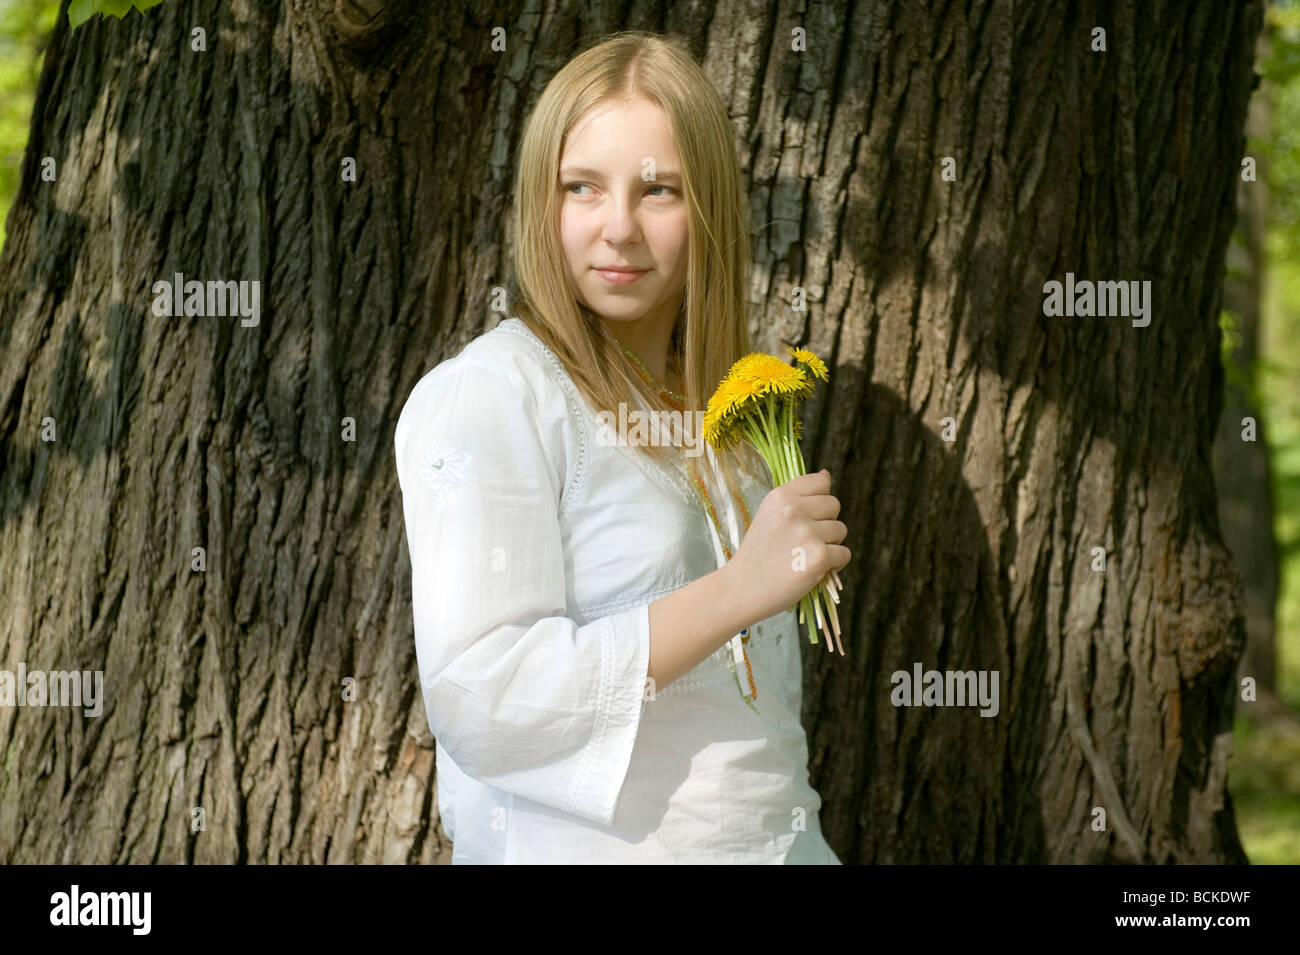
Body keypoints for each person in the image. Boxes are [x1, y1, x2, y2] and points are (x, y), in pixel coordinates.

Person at [394, 31, 851, 863]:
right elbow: (483, 694)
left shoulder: (734, 415)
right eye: (582, 188)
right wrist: (742, 587)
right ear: (544, 201)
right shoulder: (497, 394)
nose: (619, 229)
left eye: (660, 191)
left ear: (708, 203)